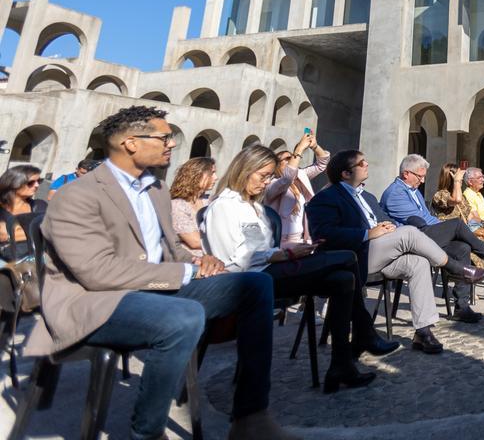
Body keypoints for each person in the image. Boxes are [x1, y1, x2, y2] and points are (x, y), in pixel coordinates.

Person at [24, 106, 293, 440]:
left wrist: (199, 261)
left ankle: (250, 417)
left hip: (154, 290)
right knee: (184, 316)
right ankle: (146, 432)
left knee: (255, 285)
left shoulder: (156, 190)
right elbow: (95, 273)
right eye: (164, 137)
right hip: (95, 302)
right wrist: (182, 271)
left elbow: (166, 247)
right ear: (130, 143)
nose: (172, 144)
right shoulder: (78, 195)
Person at [204, 144, 377, 392]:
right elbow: (235, 260)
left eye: (268, 177)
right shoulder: (224, 206)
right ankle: (366, 332)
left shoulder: (253, 206)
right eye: (263, 176)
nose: (266, 183)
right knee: (347, 257)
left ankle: (342, 364)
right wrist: (284, 254)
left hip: (273, 267)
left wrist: (287, 254)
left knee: (342, 279)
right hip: (252, 279)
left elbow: (261, 249)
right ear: (244, 170)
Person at [308, 149, 460, 354]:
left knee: (418, 263)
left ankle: (422, 331)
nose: (367, 165)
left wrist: (387, 229)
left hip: (380, 253)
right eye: (361, 163)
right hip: (353, 256)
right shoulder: (326, 198)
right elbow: (324, 234)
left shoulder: (368, 197)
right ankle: (453, 266)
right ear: (345, 173)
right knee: (409, 232)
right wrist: (367, 234)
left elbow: (384, 221)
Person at [380, 154, 484, 323]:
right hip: (414, 239)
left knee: (462, 249)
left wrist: (442, 228)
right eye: (419, 176)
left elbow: (428, 218)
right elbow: (420, 222)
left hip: (426, 234)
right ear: (406, 174)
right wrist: (445, 228)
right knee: (456, 224)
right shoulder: (395, 194)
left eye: (423, 177)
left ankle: (461, 306)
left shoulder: (413, 191)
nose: (422, 181)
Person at [430, 163, 484, 300]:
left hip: (466, 234)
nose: (461, 179)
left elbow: (470, 216)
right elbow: (456, 200)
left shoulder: (461, 197)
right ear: (451, 177)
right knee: (474, 253)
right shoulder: (440, 195)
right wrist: (457, 182)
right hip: (451, 238)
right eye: (458, 177)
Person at [263, 132, 329, 248]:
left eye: (293, 157)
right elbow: (287, 178)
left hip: (303, 238)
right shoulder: (271, 184)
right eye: (288, 158)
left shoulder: (301, 175)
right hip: (280, 240)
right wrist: (299, 149)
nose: (294, 159)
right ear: (277, 165)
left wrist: (315, 146)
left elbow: (322, 164)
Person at [169, 156, 216, 259]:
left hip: (215, 259)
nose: (216, 177)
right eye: (211, 173)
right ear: (196, 175)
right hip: (190, 263)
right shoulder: (177, 205)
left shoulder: (209, 201)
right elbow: (194, 242)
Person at [0, 164, 47, 257]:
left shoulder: (40, 205)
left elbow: (50, 232)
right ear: (13, 183)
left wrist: (11, 235)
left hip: (33, 261)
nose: (37, 185)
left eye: (39, 181)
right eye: (31, 182)